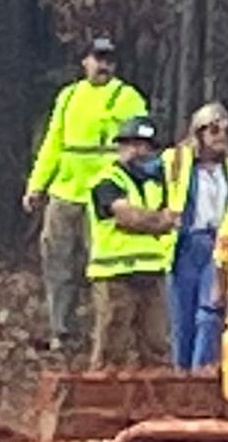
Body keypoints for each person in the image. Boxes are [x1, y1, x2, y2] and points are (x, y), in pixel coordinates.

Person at [23, 36, 145, 354]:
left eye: (109, 60)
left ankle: (104, 337)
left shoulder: (128, 98)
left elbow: (140, 148)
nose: (103, 65)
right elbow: (53, 143)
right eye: (97, 58)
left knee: (104, 270)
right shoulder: (69, 97)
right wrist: (37, 185)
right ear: (84, 61)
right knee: (58, 263)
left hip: (105, 198)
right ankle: (62, 332)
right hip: (64, 193)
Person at [167, 102, 228, 372]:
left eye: (224, 129)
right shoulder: (177, 161)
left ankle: (201, 372)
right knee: (182, 318)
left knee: (209, 313)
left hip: (219, 244)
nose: (220, 135)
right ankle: (180, 375)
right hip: (185, 244)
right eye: (212, 129)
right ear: (198, 132)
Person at [83, 117, 183, 368]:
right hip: (114, 273)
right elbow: (128, 217)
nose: (137, 151)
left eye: (144, 145)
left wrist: (155, 220)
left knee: (156, 344)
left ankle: (153, 403)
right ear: (120, 147)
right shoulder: (106, 180)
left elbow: (172, 216)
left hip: (152, 272)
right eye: (131, 144)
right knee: (111, 344)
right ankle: (102, 396)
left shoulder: (159, 183)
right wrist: (159, 220)